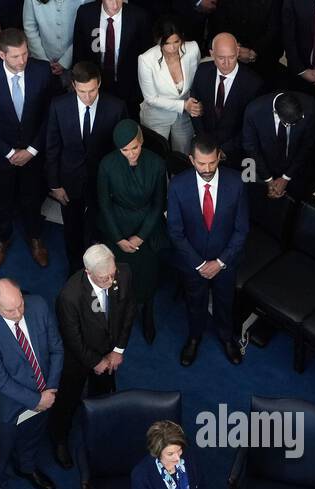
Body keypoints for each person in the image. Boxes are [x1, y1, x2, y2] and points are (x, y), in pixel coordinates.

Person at [0, 278, 61, 489]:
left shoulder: (39, 305)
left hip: (45, 392)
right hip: (9, 404)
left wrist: (49, 390)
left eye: (20, 304)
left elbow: (56, 349)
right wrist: (36, 400)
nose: (18, 313)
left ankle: (27, 466)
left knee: (33, 435)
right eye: (10, 310)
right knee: (1, 450)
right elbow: (0, 381)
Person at [0, 28, 53, 268]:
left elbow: (51, 114)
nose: (23, 60)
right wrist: (8, 153)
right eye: (16, 56)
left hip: (33, 153)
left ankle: (35, 237)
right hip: (0, 155)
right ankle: (2, 239)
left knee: (32, 197)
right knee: (1, 199)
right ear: (1, 55)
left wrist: (32, 150)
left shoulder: (42, 71)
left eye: (25, 54)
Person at [167, 134, 249, 366]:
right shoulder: (177, 185)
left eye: (212, 162)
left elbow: (241, 229)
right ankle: (194, 337)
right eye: (202, 163)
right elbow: (175, 232)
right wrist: (200, 264)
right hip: (193, 263)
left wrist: (220, 262)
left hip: (226, 262)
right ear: (192, 160)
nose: (207, 168)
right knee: (195, 302)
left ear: (219, 157)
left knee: (225, 301)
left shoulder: (236, 183)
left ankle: (226, 337)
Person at [53, 244, 134, 467]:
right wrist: (96, 361)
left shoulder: (123, 273)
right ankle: (60, 439)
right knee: (67, 400)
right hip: (78, 358)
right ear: (88, 273)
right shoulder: (69, 297)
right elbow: (73, 339)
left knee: (103, 392)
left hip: (110, 351)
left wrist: (118, 350)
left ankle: (100, 429)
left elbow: (128, 311)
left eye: (112, 274)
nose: (110, 281)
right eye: (103, 278)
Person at [47, 60, 127, 269]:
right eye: (82, 91)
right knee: (72, 228)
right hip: (69, 179)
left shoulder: (116, 107)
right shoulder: (59, 106)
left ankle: (99, 269)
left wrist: (115, 185)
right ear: (74, 85)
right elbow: (53, 147)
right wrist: (55, 184)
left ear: (99, 83)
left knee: (99, 228)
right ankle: (75, 269)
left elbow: (121, 152)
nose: (88, 97)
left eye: (92, 90)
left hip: (102, 180)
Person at [97, 119, 169, 343]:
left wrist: (140, 236)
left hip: (148, 227)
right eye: (125, 150)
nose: (131, 154)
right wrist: (118, 238)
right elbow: (104, 204)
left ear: (142, 140)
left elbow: (159, 204)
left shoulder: (157, 163)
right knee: (117, 277)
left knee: (147, 276)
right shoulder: (107, 165)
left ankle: (147, 314)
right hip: (117, 225)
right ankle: (118, 314)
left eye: (135, 147)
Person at [190, 32, 262, 165]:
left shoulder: (253, 83)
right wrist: (206, 144)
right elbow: (195, 109)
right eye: (221, 58)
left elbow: (251, 126)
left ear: (238, 51)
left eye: (232, 57)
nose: (227, 63)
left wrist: (225, 149)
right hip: (205, 150)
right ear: (212, 54)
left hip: (236, 154)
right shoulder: (202, 71)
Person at [241, 90, 315, 201]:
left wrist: (286, 177)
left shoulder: (311, 106)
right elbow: (250, 146)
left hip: (297, 168)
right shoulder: (254, 110)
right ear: (276, 113)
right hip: (263, 166)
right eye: (289, 124)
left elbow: (308, 146)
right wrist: (268, 179)